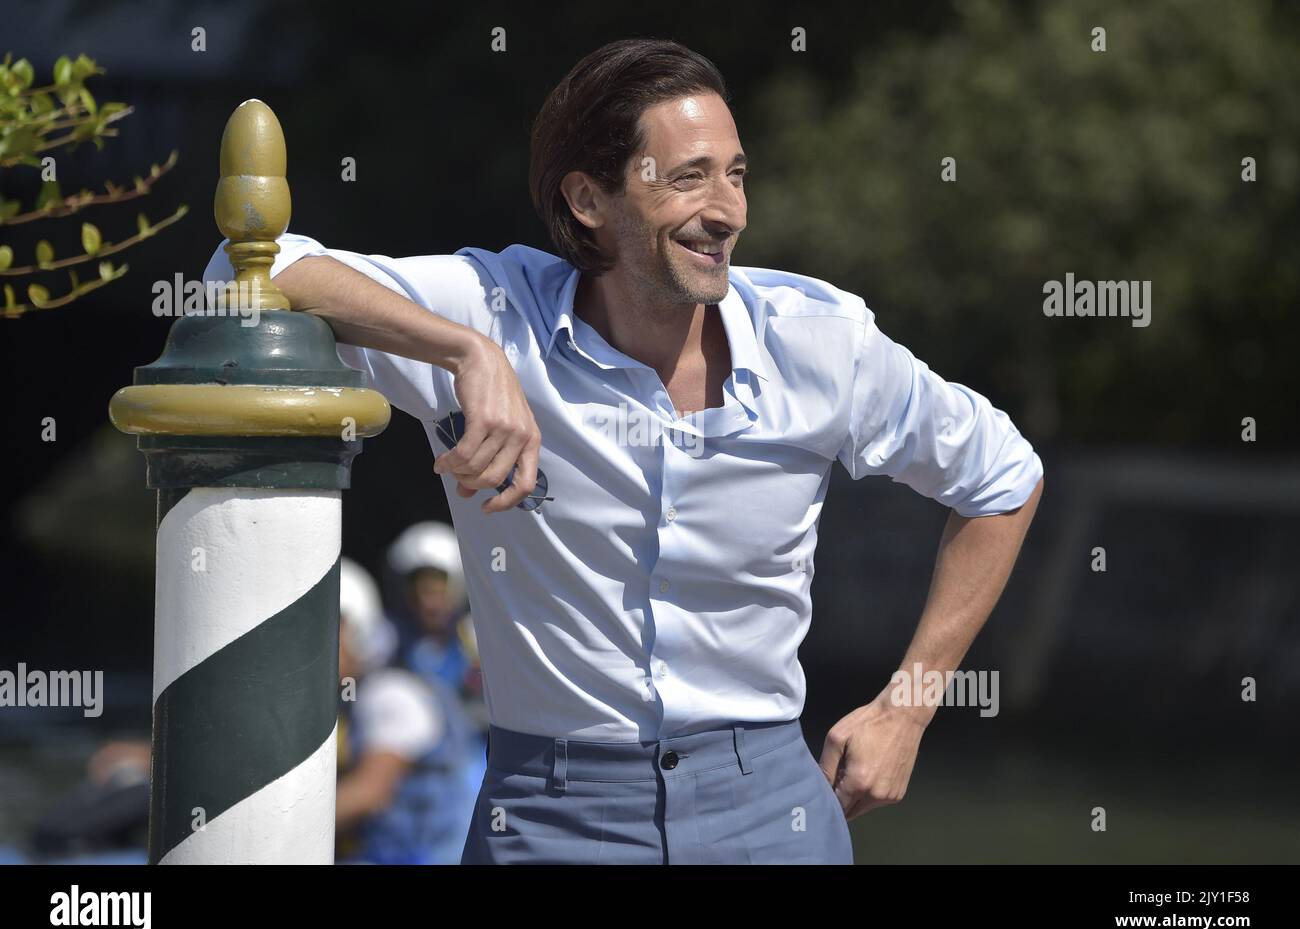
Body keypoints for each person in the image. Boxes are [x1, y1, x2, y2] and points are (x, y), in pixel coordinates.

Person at [205, 38, 1044, 864]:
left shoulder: (823, 344)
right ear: (588, 201)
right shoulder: (494, 313)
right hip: (547, 818)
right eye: (688, 178)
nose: (728, 211)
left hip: (772, 812)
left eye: (736, 173)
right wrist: (467, 354)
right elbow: (244, 268)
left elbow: (1004, 480)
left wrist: (909, 706)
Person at [336, 557, 484, 865]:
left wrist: (277, 829)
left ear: (354, 631)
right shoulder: (356, 698)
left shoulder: (389, 693)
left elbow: (368, 792)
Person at [385, 521, 485, 725]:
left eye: (438, 591)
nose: (429, 604)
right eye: (419, 591)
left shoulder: (480, 639)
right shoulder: (388, 641)